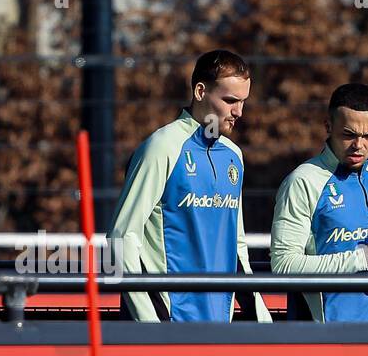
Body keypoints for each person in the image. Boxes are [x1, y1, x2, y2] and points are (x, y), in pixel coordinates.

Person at [109, 49, 271, 322]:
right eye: (230, 100)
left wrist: (263, 319)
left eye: (243, 101)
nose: (239, 112)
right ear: (200, 91)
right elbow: (122, 236)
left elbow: (237, 245)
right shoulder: (161, 147)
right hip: (167, 322)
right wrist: (149, 322)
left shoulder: (234, 156)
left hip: (218, 322)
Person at [270, 82, 368, 322]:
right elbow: (284, 265)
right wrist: (363, 257)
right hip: (325, 338)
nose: (359, 145)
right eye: (349, 135)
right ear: (328, 126)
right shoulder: (302, 181)